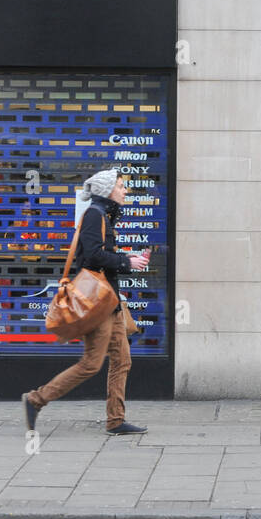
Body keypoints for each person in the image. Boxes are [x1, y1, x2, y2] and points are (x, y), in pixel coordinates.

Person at [23, 168, 151, 436]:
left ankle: (115, 420)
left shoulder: (104, 215)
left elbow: (103, 256)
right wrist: (126, 261)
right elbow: (91, 257)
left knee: (122, 360)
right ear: (107, 190)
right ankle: (36, 399)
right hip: (98, 303)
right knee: (92, 363)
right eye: (120, 186)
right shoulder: (95, 215)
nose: (125, 191)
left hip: (111, 302)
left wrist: (128, 260)